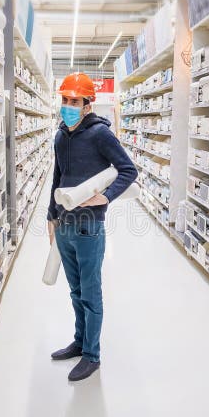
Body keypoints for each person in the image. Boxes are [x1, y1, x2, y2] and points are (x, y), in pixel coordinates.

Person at [46, 72, 138, 381]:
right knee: (74, 291)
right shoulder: (60, 135)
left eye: (75, 101)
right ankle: (79, 341)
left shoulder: (100, 135)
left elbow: (128, 170)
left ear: (88, 105)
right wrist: (51, 216)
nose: (68, 106)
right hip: (65, 227)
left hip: (89, 228)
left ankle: (92, 355)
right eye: (65, 100)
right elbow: (57, 179)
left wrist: (106, 197)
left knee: (90, 293)